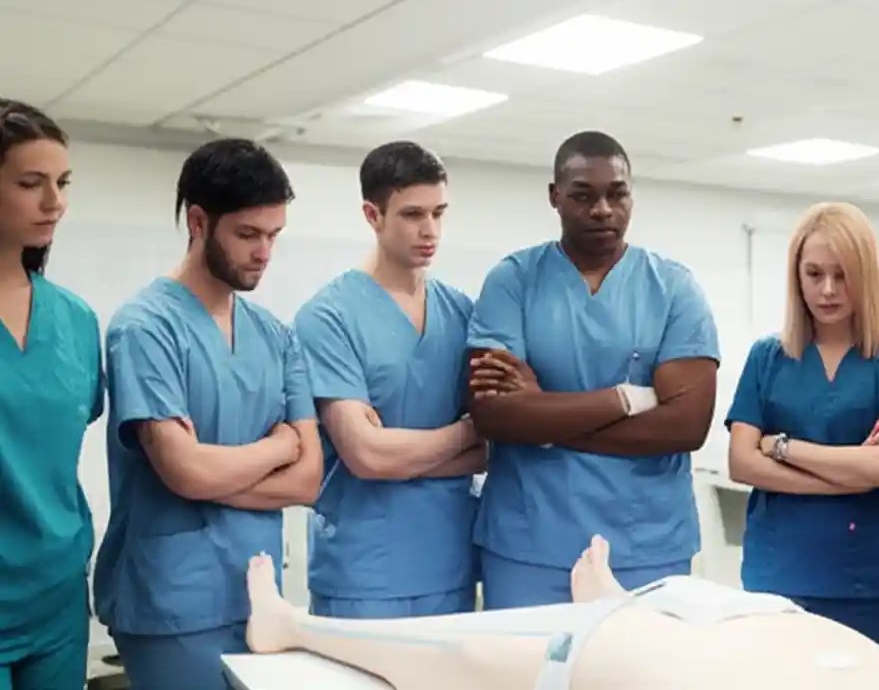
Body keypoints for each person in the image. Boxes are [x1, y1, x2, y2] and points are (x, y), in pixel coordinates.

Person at [237, 536, 879, 690]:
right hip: (688, 613)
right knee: (720, 597)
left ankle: (294, 626)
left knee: (450, 653)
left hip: (599, 653)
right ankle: (618, 596)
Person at [93, 138, 323, 690]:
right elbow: (187, 472)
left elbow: (309, 479)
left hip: (257, 596)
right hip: (171, 601)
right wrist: (277, 447)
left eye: (273, 235)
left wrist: (203, 474)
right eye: (247, 234)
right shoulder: (146, 329)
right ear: (198, 222)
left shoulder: (276, 336)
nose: (264, 252)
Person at [465, 130, 720, 609]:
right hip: (530, 541)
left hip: (645, 543)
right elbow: (494, 416)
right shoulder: (513, 281)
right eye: (583, 196)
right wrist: (628, 399)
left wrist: (543, 419)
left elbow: (686, 426)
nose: (602, 209)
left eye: (617, 194)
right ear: (555, 196)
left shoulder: (673, 289)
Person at [724, 201, 879, 661]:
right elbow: (741, 463)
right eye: (814, 274)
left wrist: (781, 447)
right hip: (780, 575)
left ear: (866, 275)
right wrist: (849, 473)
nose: (828, 290)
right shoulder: (767, 357)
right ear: (796, 276)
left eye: (843, 275)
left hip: (871, 580)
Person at [294, 141, 485, 620]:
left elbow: (494, 449)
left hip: (451, 562)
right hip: (364, 571)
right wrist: (467, 431)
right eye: (412, 214)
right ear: (372, 215)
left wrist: (401, 456)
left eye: (439, 213)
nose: (430, 230)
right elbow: (368, 455)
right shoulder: (329, 317)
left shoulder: (462, 313)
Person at [0, 100, 102, 690]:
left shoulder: (75, 319)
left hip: (56, 597)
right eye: (30, 183)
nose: (54, 202)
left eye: (62, 183)